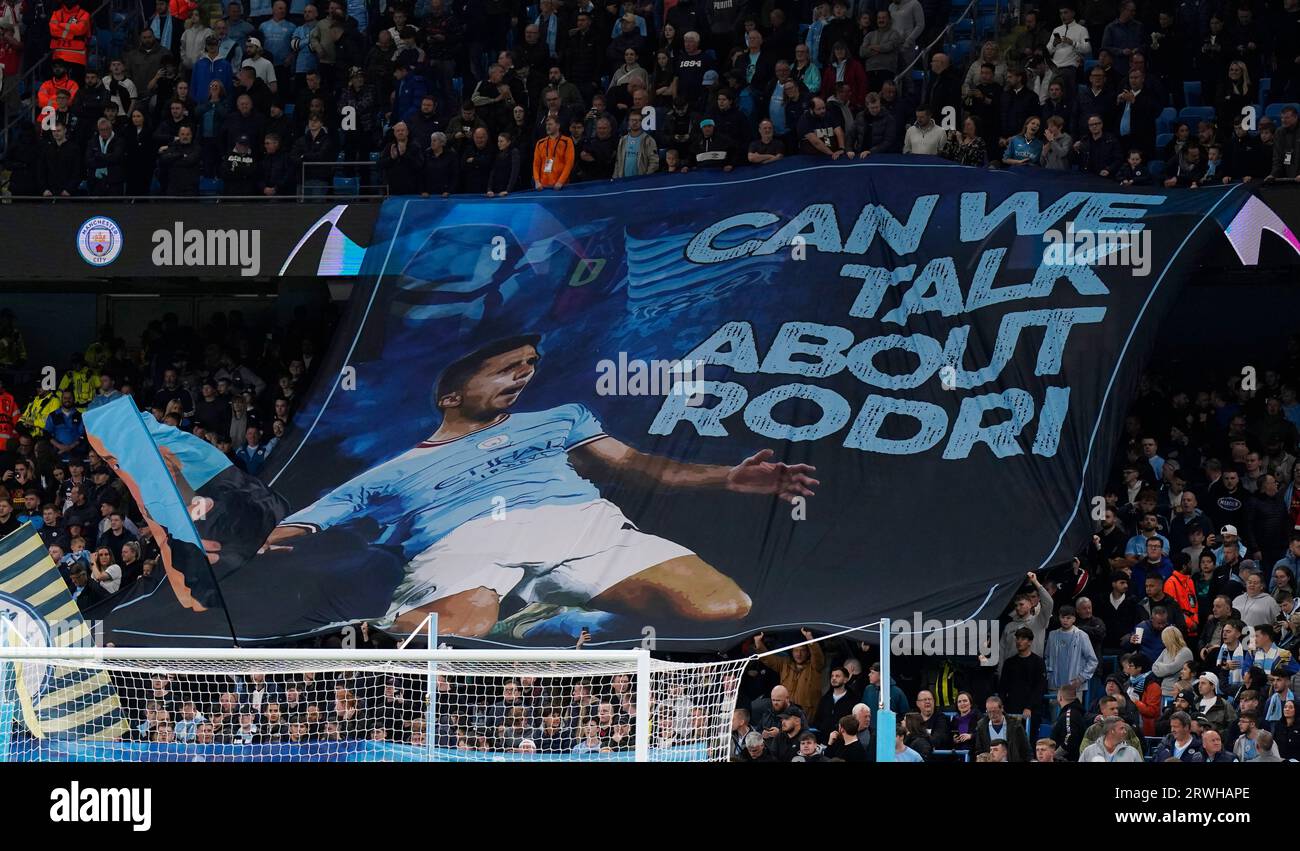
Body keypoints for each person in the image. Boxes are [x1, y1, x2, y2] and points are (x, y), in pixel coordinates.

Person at [974, 695, 1030, 761]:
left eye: (995, 711)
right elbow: (979, 750)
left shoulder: (1015, 725)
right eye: (989, 712)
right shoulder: (981, 726)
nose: (992, 715)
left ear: (1002, 708)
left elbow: (1026, 749)